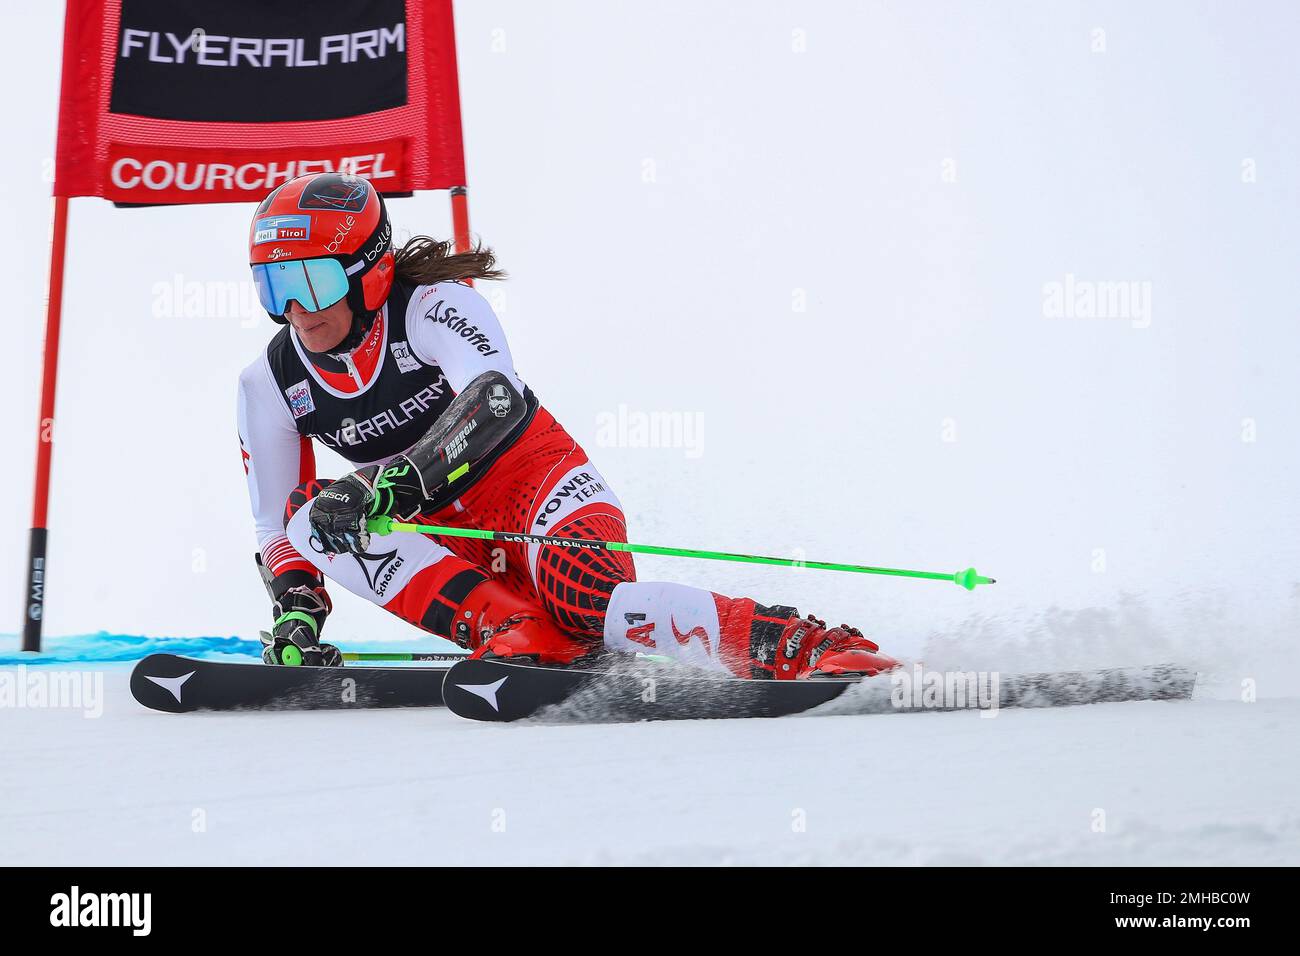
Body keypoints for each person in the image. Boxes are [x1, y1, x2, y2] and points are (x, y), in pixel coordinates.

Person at [238, 172, 897, 679]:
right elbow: (277, 525)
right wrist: (297, 610)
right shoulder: (268, 382)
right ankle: (520, 633)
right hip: (450, 544)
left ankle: (804, 647)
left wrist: (394, 482)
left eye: (312, 282)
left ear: (370, 273)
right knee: (312, 513)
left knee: (590, 601)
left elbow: (494, 399)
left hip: (536, 488)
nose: (296, 310)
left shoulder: (436, 308)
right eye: (273, 289)